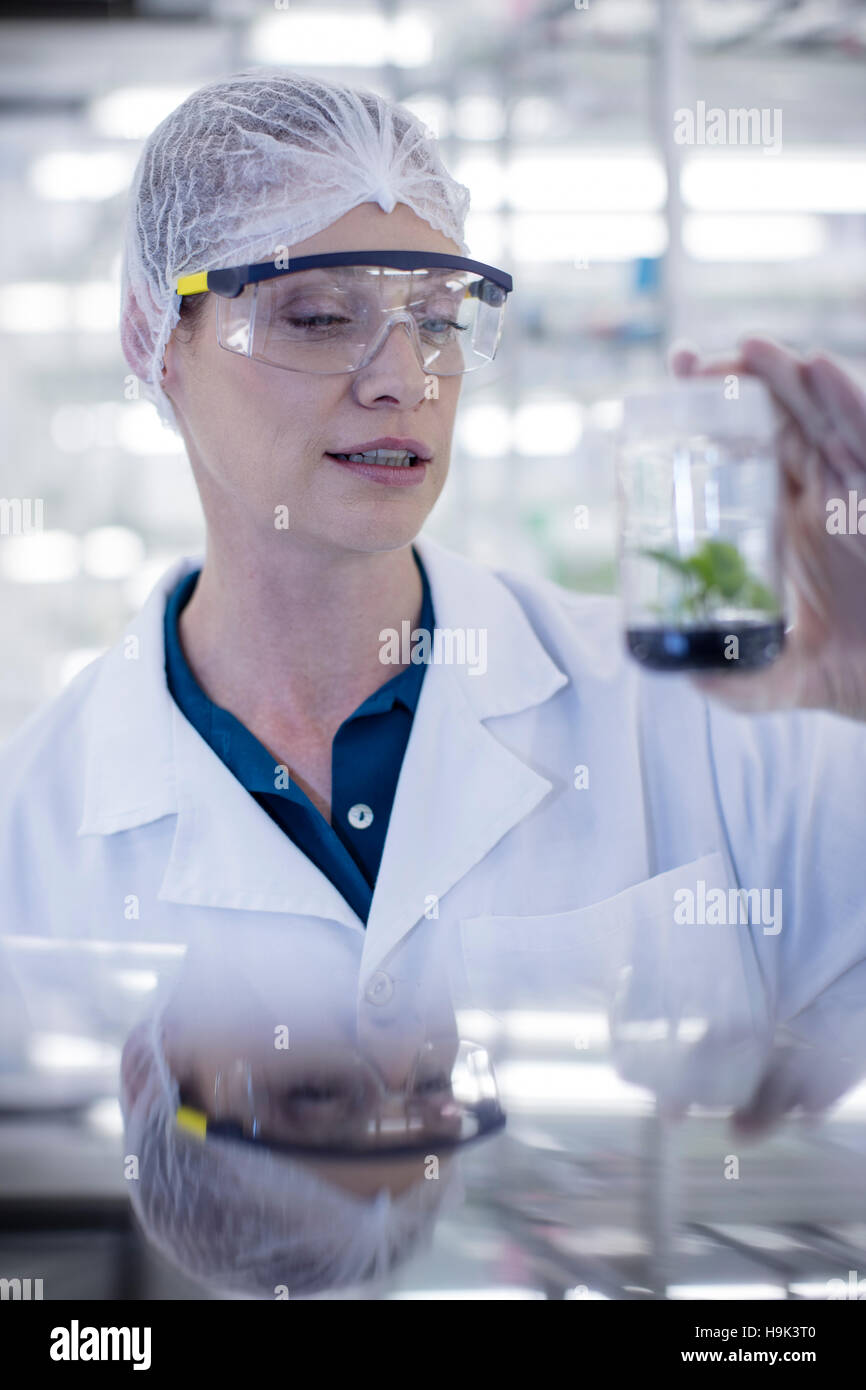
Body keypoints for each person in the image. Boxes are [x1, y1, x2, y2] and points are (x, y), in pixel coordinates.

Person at [1, 66, 866, 1153]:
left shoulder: (705, 714)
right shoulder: (26, 840)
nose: (403, 378)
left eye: (437, 320)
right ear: (154, 338)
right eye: (319, 316)